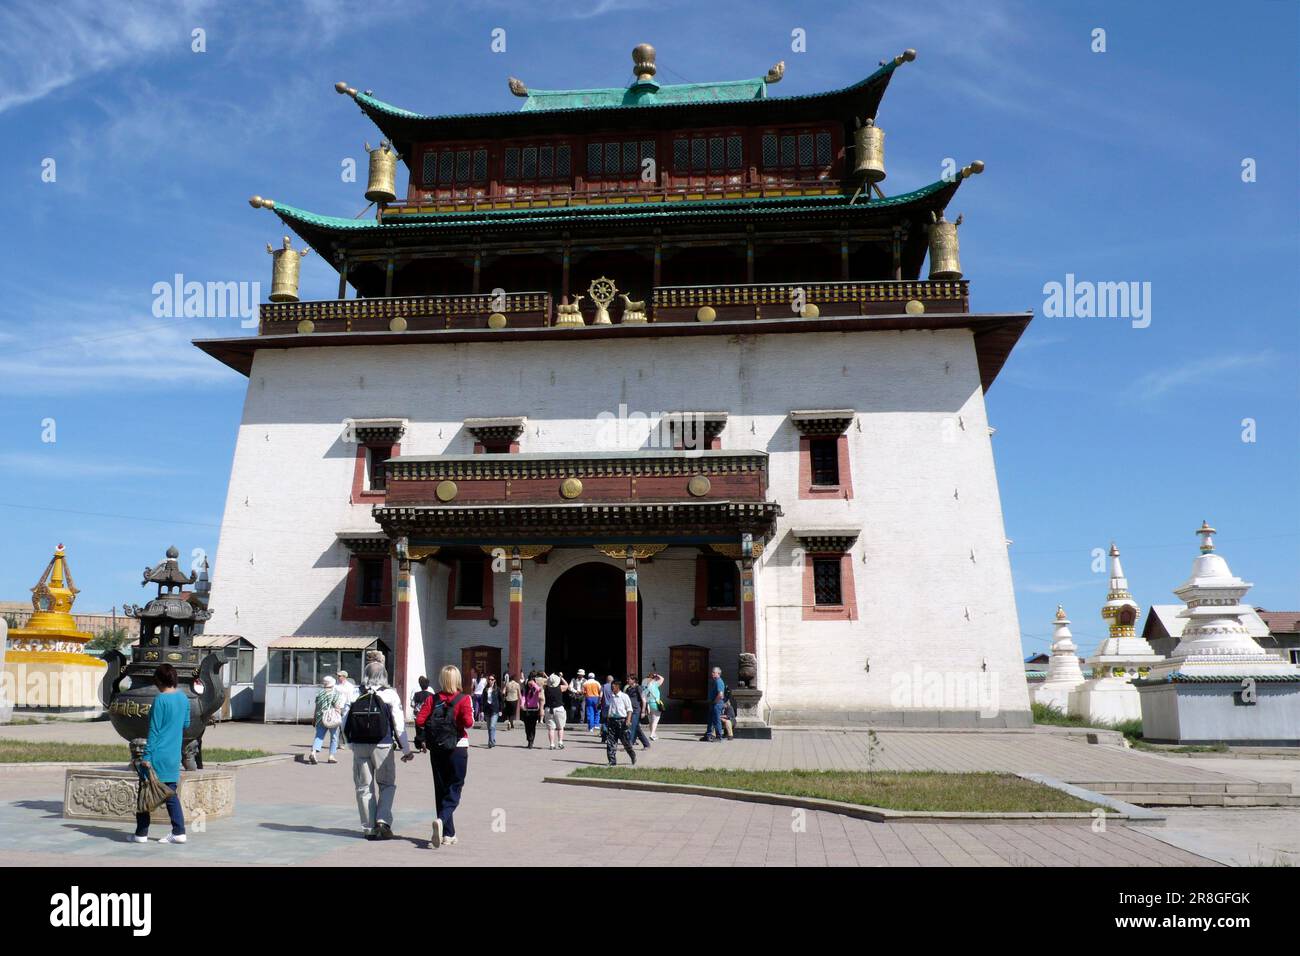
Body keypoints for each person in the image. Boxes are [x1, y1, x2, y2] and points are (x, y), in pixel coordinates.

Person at [344, 653, 415, 840]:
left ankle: (369, 827)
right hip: (383, 744)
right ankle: (383, 820)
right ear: (384, 676)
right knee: (387, 784)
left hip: (359, 744)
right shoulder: (390, 694)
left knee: (363, 786)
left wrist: (349, 742)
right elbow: (399, 724)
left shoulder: (355, 692)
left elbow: (345, 720)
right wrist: (406, 749)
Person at [415, 664, 473, 848]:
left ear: (441, 679)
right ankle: (441, 820)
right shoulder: (464, 699)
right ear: (457, 680)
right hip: (458, 747)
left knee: (440, 789)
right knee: (455, 787)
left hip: (437, 748)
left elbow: (419, 720)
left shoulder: (433, 699)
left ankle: (449, 834)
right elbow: (469, 723)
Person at [132, 663, 190, 844]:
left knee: (145, 791)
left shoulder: (160, 700)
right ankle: (179, 831)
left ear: (158, 680)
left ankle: (141, 833)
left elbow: (154, 731)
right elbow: (186, 724)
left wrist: (146, 757)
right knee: (170, 793)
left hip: (157, 754)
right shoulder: (184, 699)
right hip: (173, 754)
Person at [309, 675, 343, 764]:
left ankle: (313, 753)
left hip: (320, 718)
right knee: (334, 737)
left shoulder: (319, 693)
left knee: (319, 736)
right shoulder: (335, 693)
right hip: (332, 718)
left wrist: (314, 718)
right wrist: (339, 714)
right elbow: (337, 707)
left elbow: (316, 707)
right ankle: (331, 756)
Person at [603, 680, 637, 766]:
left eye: (613, 686)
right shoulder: (611, 696)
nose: (611, 688)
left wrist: (628, 721)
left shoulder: (624, 696)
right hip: (612, 721)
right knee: (611, 742)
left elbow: (629, 709)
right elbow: (610, 708)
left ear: (618, 687)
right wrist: (607, 719)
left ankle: (632, 755)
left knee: (625, 742)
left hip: (622, 721)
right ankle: (612, 761)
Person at [625, 674, 651, 750]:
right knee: (636, 728)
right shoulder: (628, 689)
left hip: (637, 710)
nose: (627, 680)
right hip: (630, 710)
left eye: (629, 679)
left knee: (632, 727)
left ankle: (629, 745)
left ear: (634, 680)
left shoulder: (638, 688)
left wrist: (643, 711)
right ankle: (646, 744)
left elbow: (644, 700)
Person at [543, 672, 568, 750]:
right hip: (559, 708)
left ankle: (552, 744)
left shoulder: (546, 688)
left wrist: (549, 678)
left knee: (551, 728)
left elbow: (548, 682)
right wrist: (561, 678)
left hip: (548, 709)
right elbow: (567, 685)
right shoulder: (560, 688)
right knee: (560, 727)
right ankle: (560, 742)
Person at [701, 666, 726, 742]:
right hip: (714, 703)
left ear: (718, 673)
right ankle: (708, 735)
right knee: (710, 720)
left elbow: (720, 694)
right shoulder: (716, 681)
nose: (712, 673)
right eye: (712, 672)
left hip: (717, 704)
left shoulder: (719, 681)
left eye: (713, 672)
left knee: (716, 720)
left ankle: (719, 737)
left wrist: (715, 701)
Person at [335, 670, 359, 749]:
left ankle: (342, 743)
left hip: (346, 706)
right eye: (338, 676)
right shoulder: (336, 685)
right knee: (336, 725)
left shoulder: (350, 686)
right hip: (336, 706)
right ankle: (336, 743)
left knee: (343, 725)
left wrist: (350, 707)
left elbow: (351, 698)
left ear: (344, 677)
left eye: (339, 676)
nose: (338, 677)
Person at [519, 673, 543, 748]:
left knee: (532, 726)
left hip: (534, 709)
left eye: (532, 682)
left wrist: (534, 684)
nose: (530, 684)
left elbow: (540, 690)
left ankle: (531, 741)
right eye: (529, 682)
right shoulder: (525, 689)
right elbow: (523, 697)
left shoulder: (536, 689)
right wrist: (522, 704)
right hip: (527, 709)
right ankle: (528, 738)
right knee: (527, 727)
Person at [411, 676, 433, 753]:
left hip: (417, 714)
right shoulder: (431, 695)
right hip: (427, 715)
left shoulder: (416, 694)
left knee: (418, 730)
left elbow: (412, 704)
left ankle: (420, 745)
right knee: (426, 729)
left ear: (420, 685)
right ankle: (425, 742)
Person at [481, 673, 501, 748]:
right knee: (489, 727)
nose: (490, 681)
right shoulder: (485, 689)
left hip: (495, 710)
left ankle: (491, 742)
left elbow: (501, 700)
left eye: (492, 679)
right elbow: (482, 701)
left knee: (492, 726)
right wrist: (482, 711)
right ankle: (491, 740)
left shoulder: (497, 689)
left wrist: (500, 710)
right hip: (487, 710)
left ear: (494, 680)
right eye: (489, 679)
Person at [644, 672, 664, 741]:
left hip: (648, 704)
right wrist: (656, 675)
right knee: (655, 720)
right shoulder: (655, 684)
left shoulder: (645, 686)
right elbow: (662, 678)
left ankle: (653, 733)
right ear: (654, 678)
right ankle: (652, 734)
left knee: (650, 721)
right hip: (655, 704)